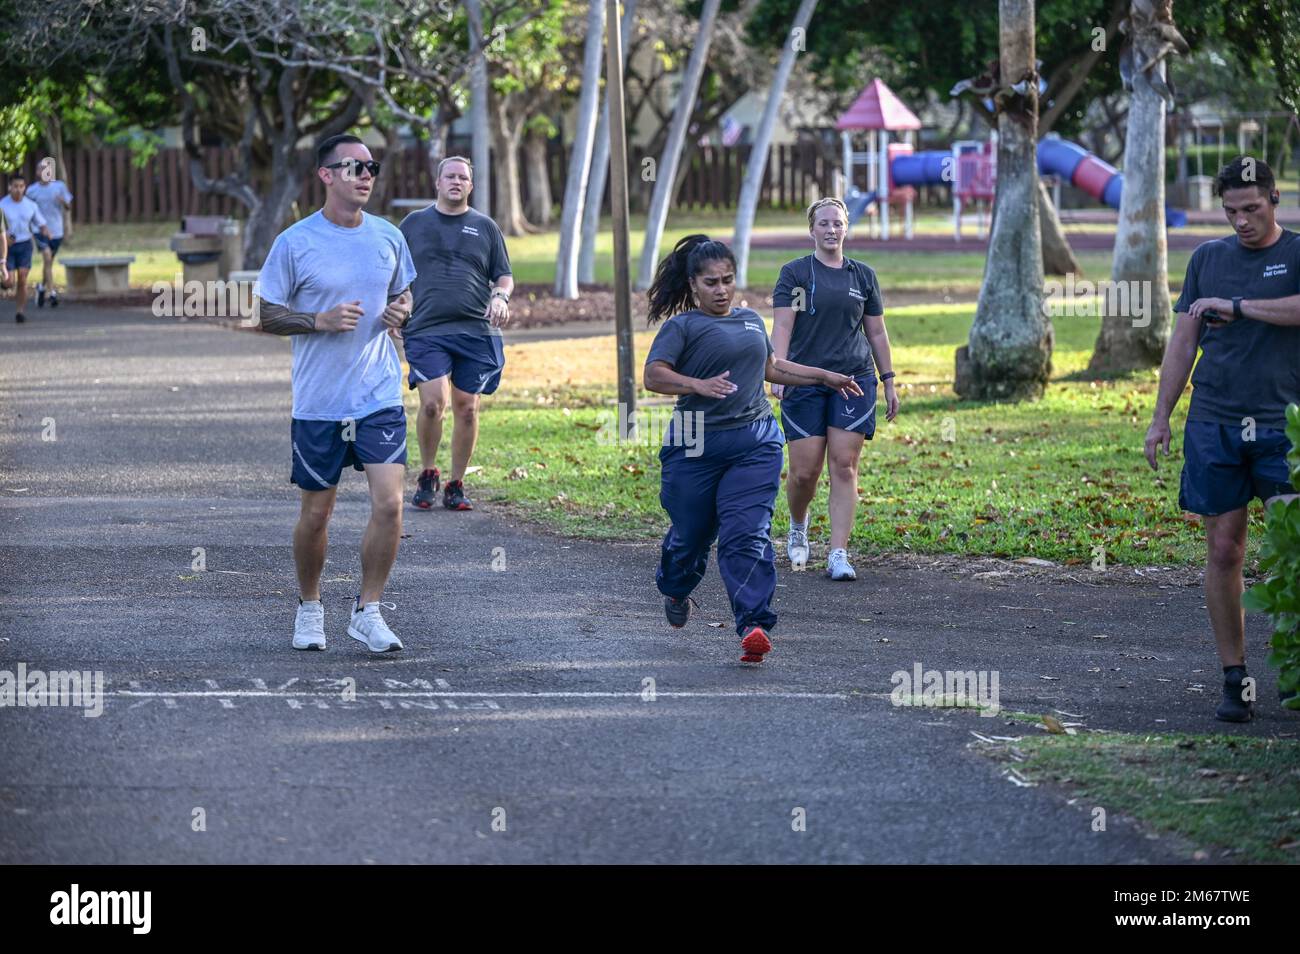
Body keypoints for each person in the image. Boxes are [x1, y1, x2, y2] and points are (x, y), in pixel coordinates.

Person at [644, 234, 863, 663]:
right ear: (693, 285)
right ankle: (675, 587)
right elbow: (654, 376)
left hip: (755, 442)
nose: (721, 289)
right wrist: (697, 385)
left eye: (727, 280)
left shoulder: (748, 321)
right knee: (690, 536)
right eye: (711, 282)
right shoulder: (682, 327)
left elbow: (772, 368)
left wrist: (824, 376)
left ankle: (754, 625)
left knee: (746, 534)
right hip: (694, 442)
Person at [1145, 156, 1300, 722]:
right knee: (1224, 549)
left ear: (1274, 199)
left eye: (1252, 209)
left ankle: (1294, 666)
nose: (1241, 221)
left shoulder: (1296, 253)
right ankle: (1235, 678)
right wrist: (1161, 417)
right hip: (1215, 421)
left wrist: (1238, 307)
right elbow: (1182, 343)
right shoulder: (1207, 259)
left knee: (1290, 552)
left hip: (1285, 424)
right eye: (1231, 211)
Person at [256, 133, 417, 653]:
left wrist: (402, 311)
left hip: (378, 395)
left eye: (372, 166)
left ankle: (367, 610)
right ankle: (309, 606)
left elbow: (403, 291)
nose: (367, 175)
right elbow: (267, 315)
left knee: (390, 505)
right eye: (355, 167)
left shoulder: (389, 237)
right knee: (317, 514)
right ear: (326, 175)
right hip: (320, 402)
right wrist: (317, 320)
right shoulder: (295, 242)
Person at [771, 197, 899, 580]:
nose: (831, 230)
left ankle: (838, 553)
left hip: (853, 381)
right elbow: (782, 327)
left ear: (846, 228)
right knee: (804, 472)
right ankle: (798, 525)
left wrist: (888, 379)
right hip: (805, 379)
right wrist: (778, 372)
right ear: (811, 229)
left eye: (838, 223)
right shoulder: (794, 274)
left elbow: (875, 331)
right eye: (824, 223)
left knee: (844, 466)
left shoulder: (863, 277)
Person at [399, 156, 513, 512]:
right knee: (434, 403)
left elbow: (504, 275)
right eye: (450, 176)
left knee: (467, 409)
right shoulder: (413, 224)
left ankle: (456, 483)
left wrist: (500, 296)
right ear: (437, 182)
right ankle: (428, 472)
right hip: (426, 328)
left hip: (475, 331)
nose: (456, 181)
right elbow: (394, 274)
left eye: (463, 177)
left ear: (471, 186)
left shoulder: (485, 227)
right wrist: (396, 305)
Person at [1, 173, 51, 324]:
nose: (18, 189)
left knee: (23, 278)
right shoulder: (2, 205)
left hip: (24, 245)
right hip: (7, 246)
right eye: (15, 186)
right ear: (10, 187)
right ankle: (4, 283)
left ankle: (20, 311)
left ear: (25, 188)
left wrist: (45, 231)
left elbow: (40, 222)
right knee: (9, 282)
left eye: (21, 186)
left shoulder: (30, 205)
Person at [25, 157, 73, 309]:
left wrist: (63, 201)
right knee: (46, 257)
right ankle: (51, 292)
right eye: (42, 169)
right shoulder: (32, 191)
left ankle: (41, 287)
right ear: (38, 172)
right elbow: (25, 210)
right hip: (39, 231)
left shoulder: (59, 187)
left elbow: (68, 207)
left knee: (48, 263)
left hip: (56, 231)